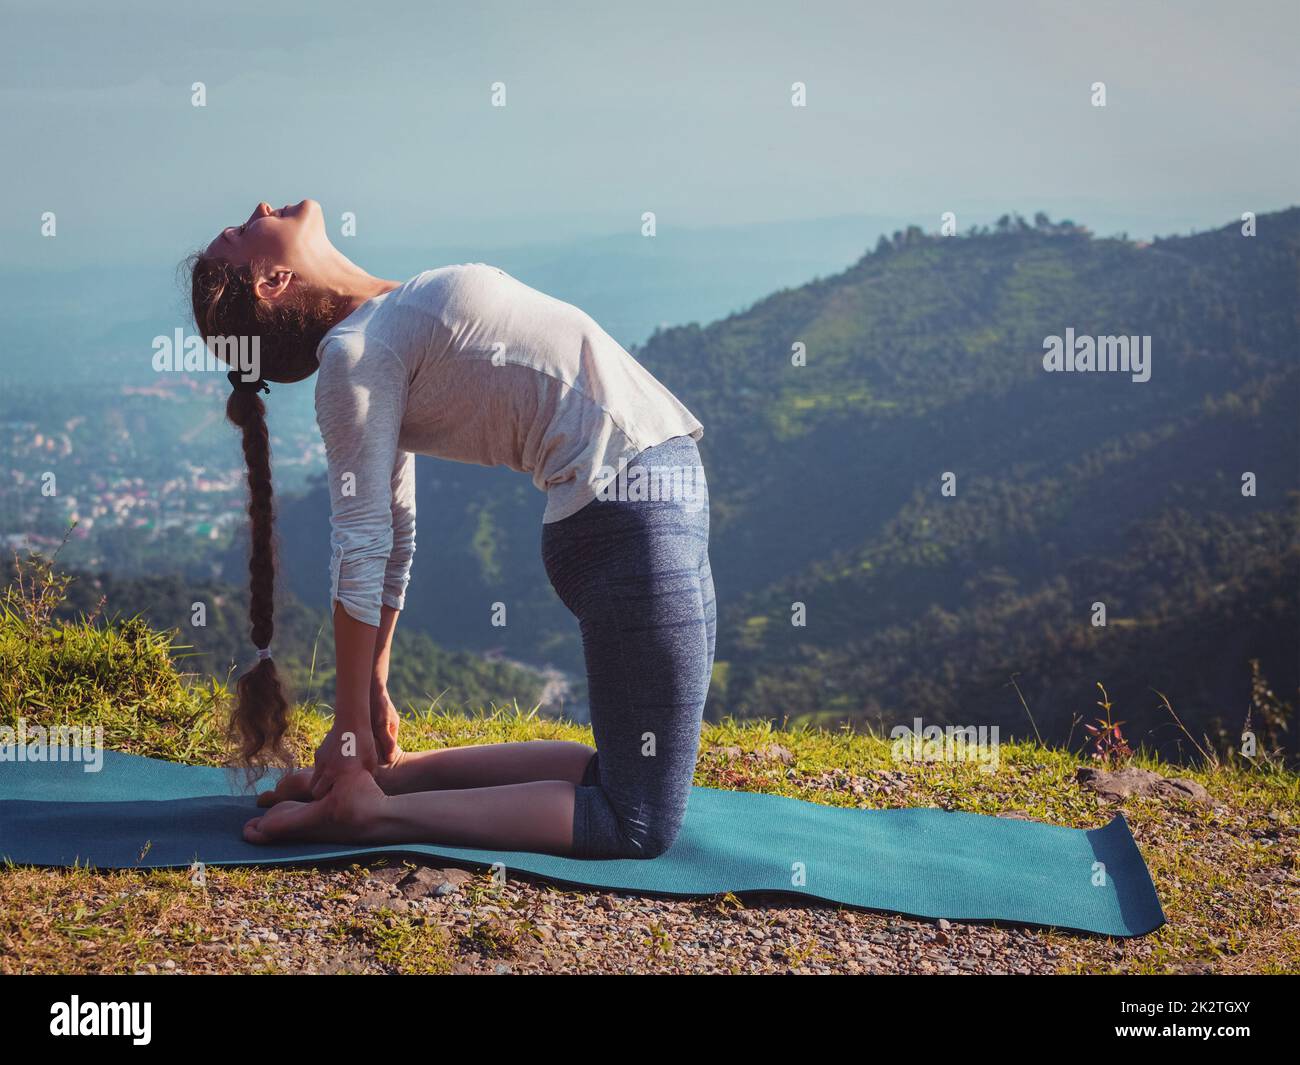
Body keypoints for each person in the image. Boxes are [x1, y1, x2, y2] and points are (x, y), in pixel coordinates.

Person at [187, 199, 714, 858]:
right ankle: (370, 816)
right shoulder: (354, 355)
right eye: (242, 231)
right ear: (271, 282)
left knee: (617, 778)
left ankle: (386, 785)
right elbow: (362, 539)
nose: (260, 207)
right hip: (628, 521)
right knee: (634, 819)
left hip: (659, 503)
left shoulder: (380, 328)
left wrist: (372, 696)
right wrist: (348, 730)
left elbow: (399, 534)